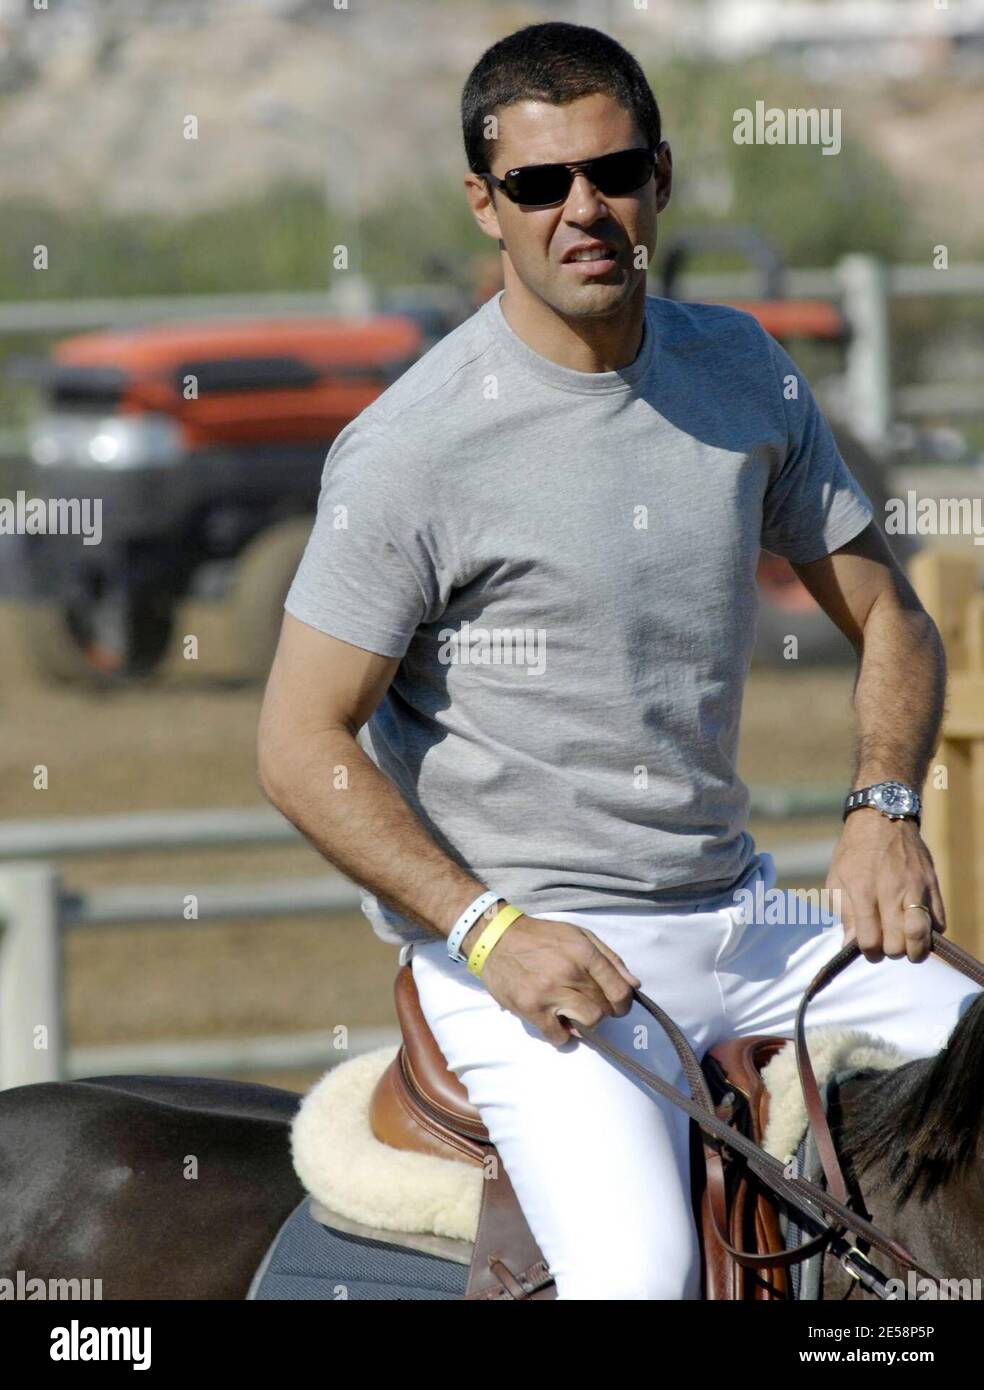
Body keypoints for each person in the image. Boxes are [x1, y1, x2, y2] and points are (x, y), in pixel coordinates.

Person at [257, 21, 981, 1299]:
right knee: (643, 1283)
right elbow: (297, 741)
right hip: (529, 952)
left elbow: (894, 621)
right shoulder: (407, 448)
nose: (582, 209)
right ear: (486, 204)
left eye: (613, 171)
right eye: (540, 184)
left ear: (662, 176)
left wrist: (885, 804)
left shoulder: (748, 371)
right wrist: (491, 934)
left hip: (747, 916)